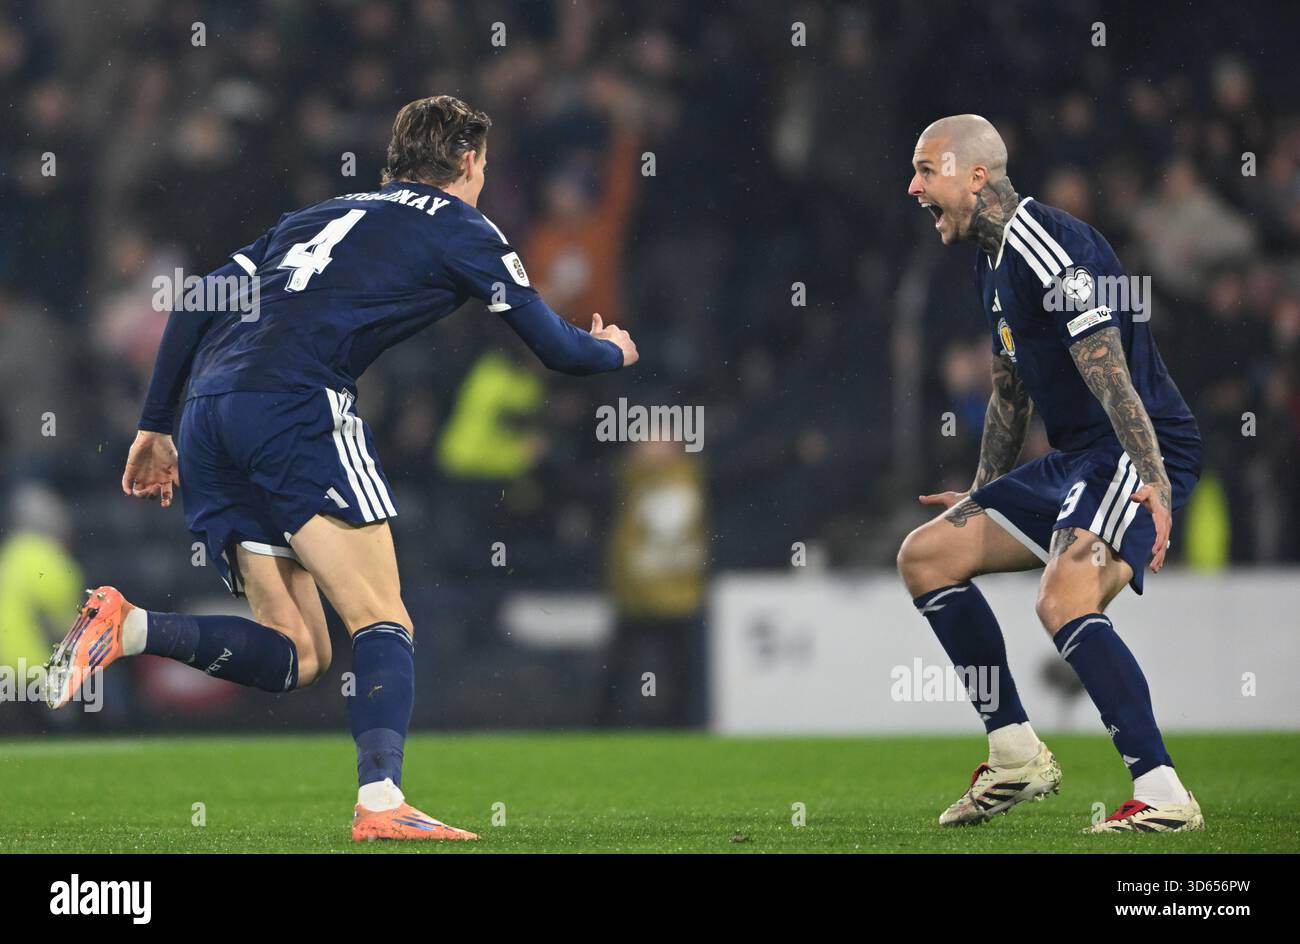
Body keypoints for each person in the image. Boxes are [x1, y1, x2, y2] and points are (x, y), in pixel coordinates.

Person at [44, 95, 639, 841]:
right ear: (462, 162)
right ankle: (382, 802)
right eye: (481, 165)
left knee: (299, 653)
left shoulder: (314, 216)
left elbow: (196, 301)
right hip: (294, 406)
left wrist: (153, 426)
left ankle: (126, 628)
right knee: (381, 615)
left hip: (211, 410)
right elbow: (559, 349)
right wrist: (614, 347)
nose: (483, 179)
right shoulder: (462, 226)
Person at [897, 115, 1204, 833]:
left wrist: (1153, 479)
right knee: (929, 553)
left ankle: (1163, 793)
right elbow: (1010, 391)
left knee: (1063, 596)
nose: (913, 187)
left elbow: (1112, 375)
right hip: (1075, 459)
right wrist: (980, 494)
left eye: (926, 170)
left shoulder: (1045, 246)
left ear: (976, 176)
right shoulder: (991, 260)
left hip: (1131, 446)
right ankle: (1014, 753)